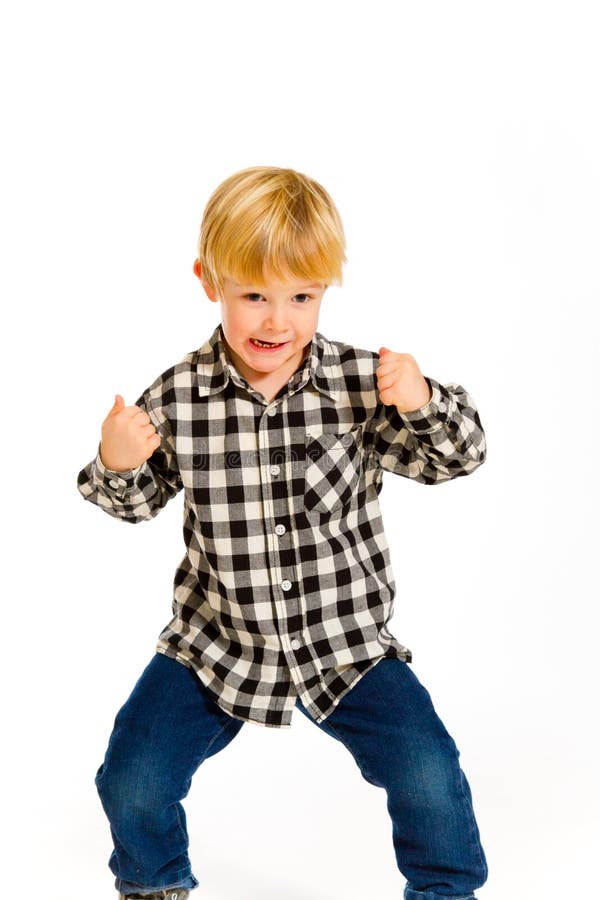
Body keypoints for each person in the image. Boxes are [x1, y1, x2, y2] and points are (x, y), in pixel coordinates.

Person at [77, 165, 489, 900]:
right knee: (132, 777)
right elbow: (133, 503)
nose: (277, 321)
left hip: (346, 642)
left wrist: (422, 401)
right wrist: (116, 460)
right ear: (210, 281)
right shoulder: (177, 396)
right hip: (217, 641)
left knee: (428, 769)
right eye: (254, 296)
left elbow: (456, 459)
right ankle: (154, 883)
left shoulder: (361, 383)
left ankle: (447, 891)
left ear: (326, 288)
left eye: (301, 297)